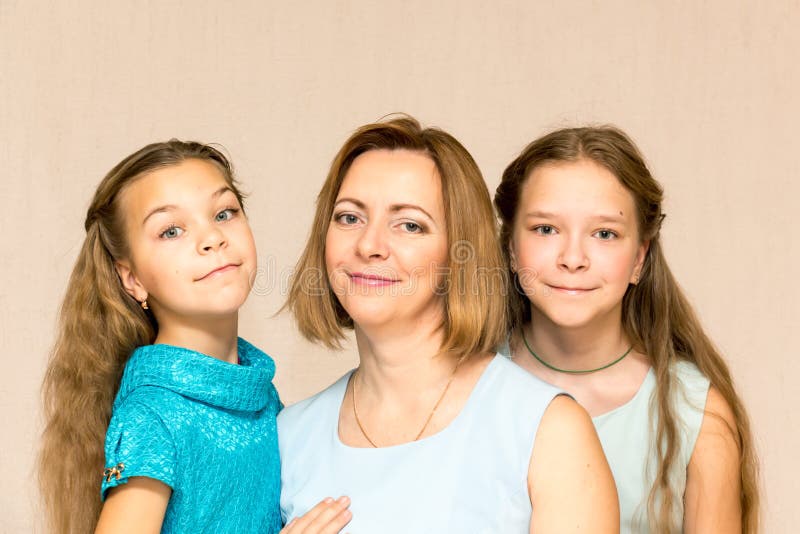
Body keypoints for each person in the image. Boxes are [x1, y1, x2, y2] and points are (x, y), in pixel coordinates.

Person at [280, 115, 619, 533]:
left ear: (459, 255)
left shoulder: (547, 431)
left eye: (409, 225)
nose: (369, 245)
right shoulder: (288, 437)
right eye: (350, 218)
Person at [38, 141, 350, 534]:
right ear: (131, 279)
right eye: (171, 231)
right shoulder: (153, 415)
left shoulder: (258, 394)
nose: (212, 238)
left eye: (224, 213)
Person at [494, 126, 759, 533]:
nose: (573, 258)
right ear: (512, 248)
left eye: (604, 234)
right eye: (545, 229)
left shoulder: (695, 414)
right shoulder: (461, 385)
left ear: (639, 257)